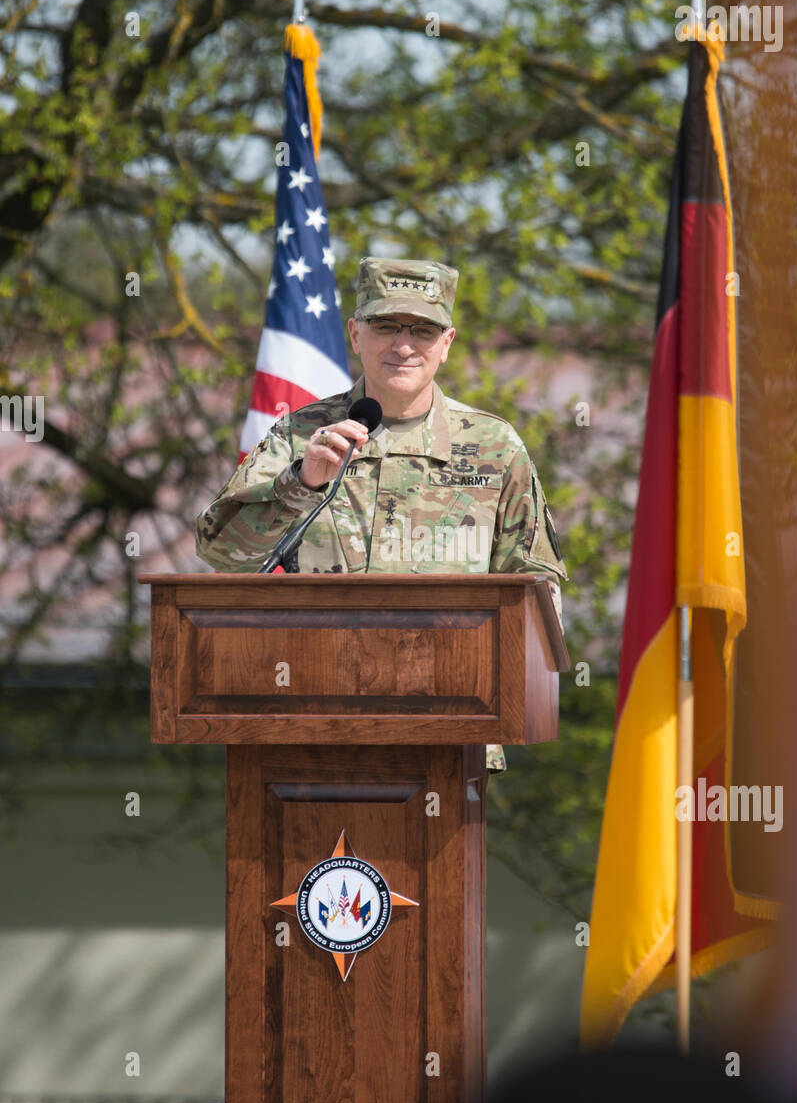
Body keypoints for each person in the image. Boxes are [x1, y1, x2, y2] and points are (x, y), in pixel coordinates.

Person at [195, 256, 568, 771]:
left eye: (422, 329)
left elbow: (536, 588)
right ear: (355, 333)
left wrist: (499, 698)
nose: (403, 344)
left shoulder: (493, 446)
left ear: (447, 343)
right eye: (385, 325)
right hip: (311, 724)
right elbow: (222, 553)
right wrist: (300, 484)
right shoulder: (302, 434)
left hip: (450, 735)